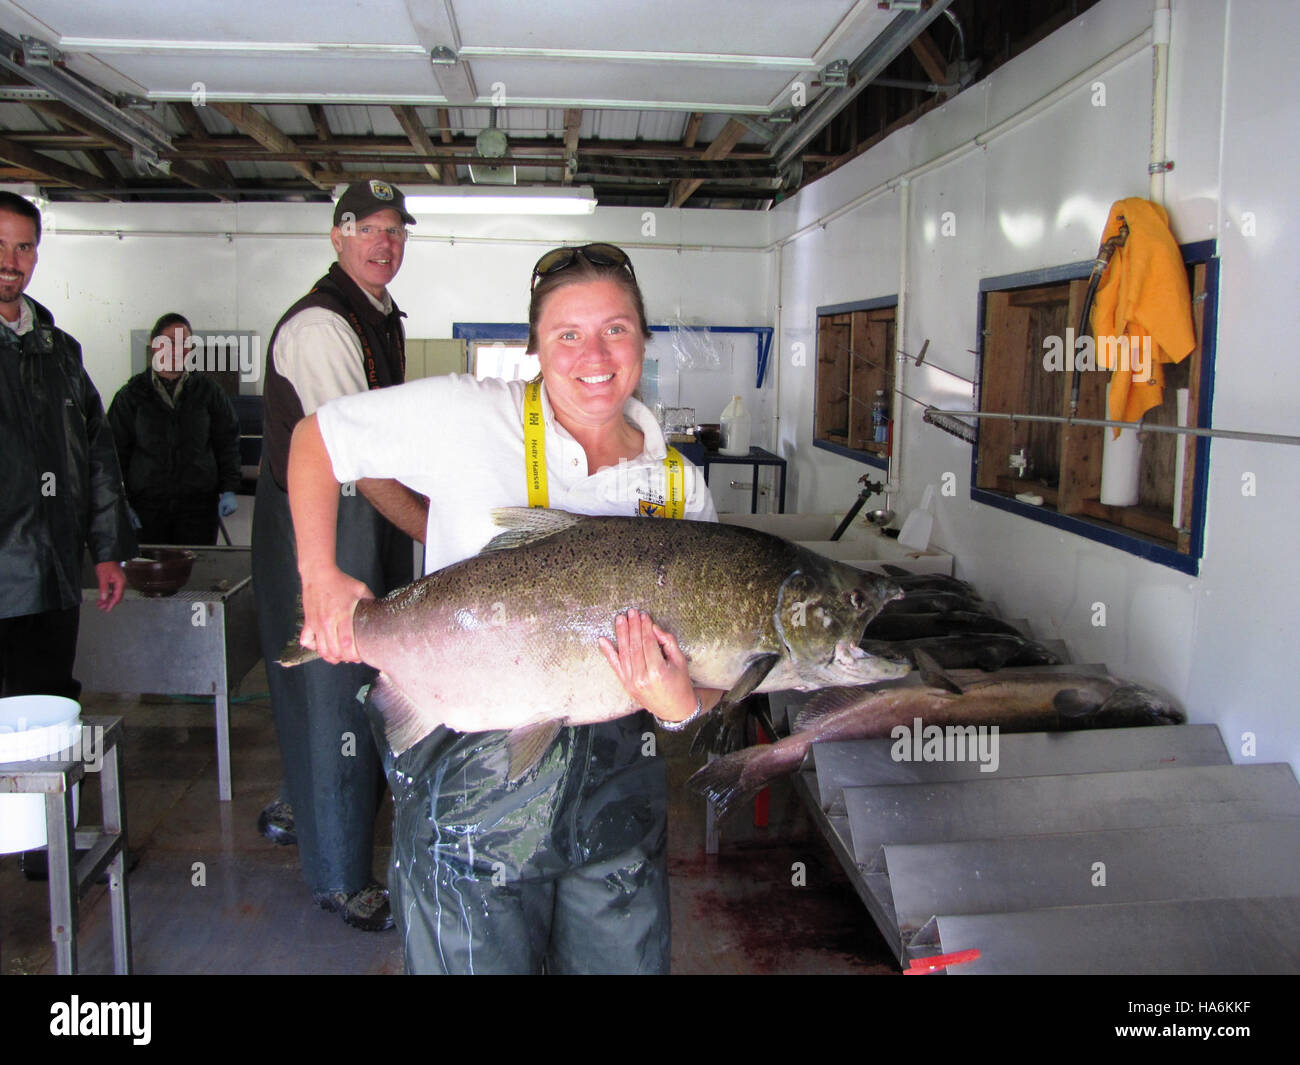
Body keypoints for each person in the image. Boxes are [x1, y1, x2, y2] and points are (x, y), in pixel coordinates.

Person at [287, 242, 721, 973]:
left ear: (644, 340)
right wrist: (318, 574)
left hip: (617, 816)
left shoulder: (680, 488)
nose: (595, 354)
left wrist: (682, 705)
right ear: (534, 347)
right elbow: (316, 439)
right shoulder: (467, 413)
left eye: (616, 329)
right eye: (567, 334)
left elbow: (708, 672)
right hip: (469, 792)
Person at [252, 180, 428, 932]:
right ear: (337, 236)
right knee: (335, 698)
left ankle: (302, 805)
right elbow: (354, 460)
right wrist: (430, 524)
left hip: (362, 524)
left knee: (330, 691)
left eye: (395, 231)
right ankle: (338, 877)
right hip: (322, 531)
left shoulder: (377, 317)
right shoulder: (322, 326)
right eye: (367, 229)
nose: (383, 243)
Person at [0, 190, 134, 699]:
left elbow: (97, 456)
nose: (11, 263)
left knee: (46, 709)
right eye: (0, 245)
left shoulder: (59, 352)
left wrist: (107, 551)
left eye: (24, 248)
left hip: (51, 576)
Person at [107, 313, 241, 546]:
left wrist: (229, 487)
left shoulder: (209, 392)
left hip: (198, 510)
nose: (177, 349)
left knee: (198, 573)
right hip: (147, 510)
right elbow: (113, 453)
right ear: (154, 344)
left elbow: (227, 442)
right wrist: (120, 502)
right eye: (169, 341)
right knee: (151, 575)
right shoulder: (130, 396)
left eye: (183, 342)